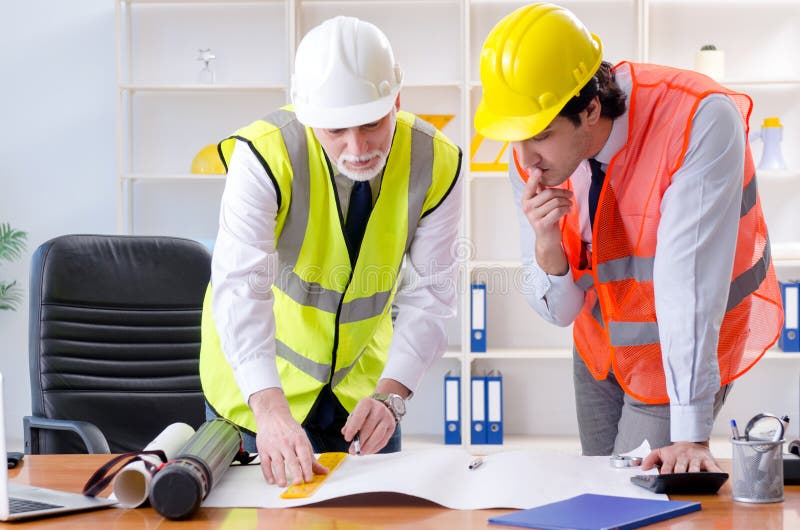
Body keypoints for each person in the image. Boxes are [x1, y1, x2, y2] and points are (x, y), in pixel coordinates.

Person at [475, 3, 782, 473]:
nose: (525, 158)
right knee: (600, 490)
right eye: (514, 137)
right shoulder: (530, 157)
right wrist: (546, 243)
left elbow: (690, 286)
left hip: (680, 343)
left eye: (541, 135)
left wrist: (691, 433)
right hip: (600, 345)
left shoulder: (696, 119)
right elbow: (560, 312)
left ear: (591, 108)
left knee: (639, 499)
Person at [199, 16, 462, 487]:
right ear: (307, 115)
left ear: (396, 100)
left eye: (372, 124)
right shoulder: (264, 155)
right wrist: (270, 411)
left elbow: (431, 297)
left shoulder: (436, 161)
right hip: (256, 390)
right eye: (335, 129)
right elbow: (240, 289)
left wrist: (392, 395)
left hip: (362, 397)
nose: (356, 147)